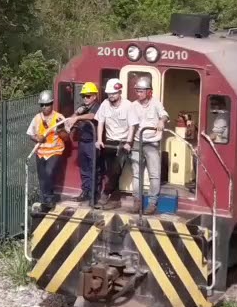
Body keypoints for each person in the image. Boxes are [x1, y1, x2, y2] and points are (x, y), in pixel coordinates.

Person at [94, 77, 136, 208]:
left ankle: (105, 193)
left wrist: (128, 142)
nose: (111, 96)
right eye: (109, 93)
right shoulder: (104, 104)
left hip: (123, 142)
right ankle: (115, 199)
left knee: (116, 169)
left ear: (119, 92)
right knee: (110, 171)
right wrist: (99, 140)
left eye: (113, 93)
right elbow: (100, 123)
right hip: (109, 141)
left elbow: (132, 126)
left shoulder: (128, 106)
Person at [129, 76, 169, 214]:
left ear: (148, 92)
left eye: (141, 91)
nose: (138, 93)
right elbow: (132, 125)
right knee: (137, 174)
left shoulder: (156, 103)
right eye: (137, 91)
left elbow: (164, 115)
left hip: (152, 143)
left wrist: (161, 121)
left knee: (154, 174)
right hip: (137, 142)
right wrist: (129, 142)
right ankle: (137, 202)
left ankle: (152, 203)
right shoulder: (133, 106)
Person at [26, 90, 65, 211]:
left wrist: (60, 130)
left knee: (49, 173)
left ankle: (49, 199)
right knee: (42, 177)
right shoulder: (37, 118)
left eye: (46, 104)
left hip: (55, 151)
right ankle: (44, 200)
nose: (44, 107)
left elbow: (66, 137)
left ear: (52, 104)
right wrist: (37, 138)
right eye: (42, 105)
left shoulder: (59, 118)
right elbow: (31, 134)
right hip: (41, 152)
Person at [63, 82, 100, 204]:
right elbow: (71, 119)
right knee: (84, 169)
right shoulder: (83, 107)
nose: (85, 98)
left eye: (88, 96)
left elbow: (92, 116)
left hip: (92, 143)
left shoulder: (97, 106)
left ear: (94, 96)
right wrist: (76, 114)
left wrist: (78, 117)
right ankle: (85, 192)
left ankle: (94, 196)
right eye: (83, 96)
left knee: (94, 169)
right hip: (82, 142)